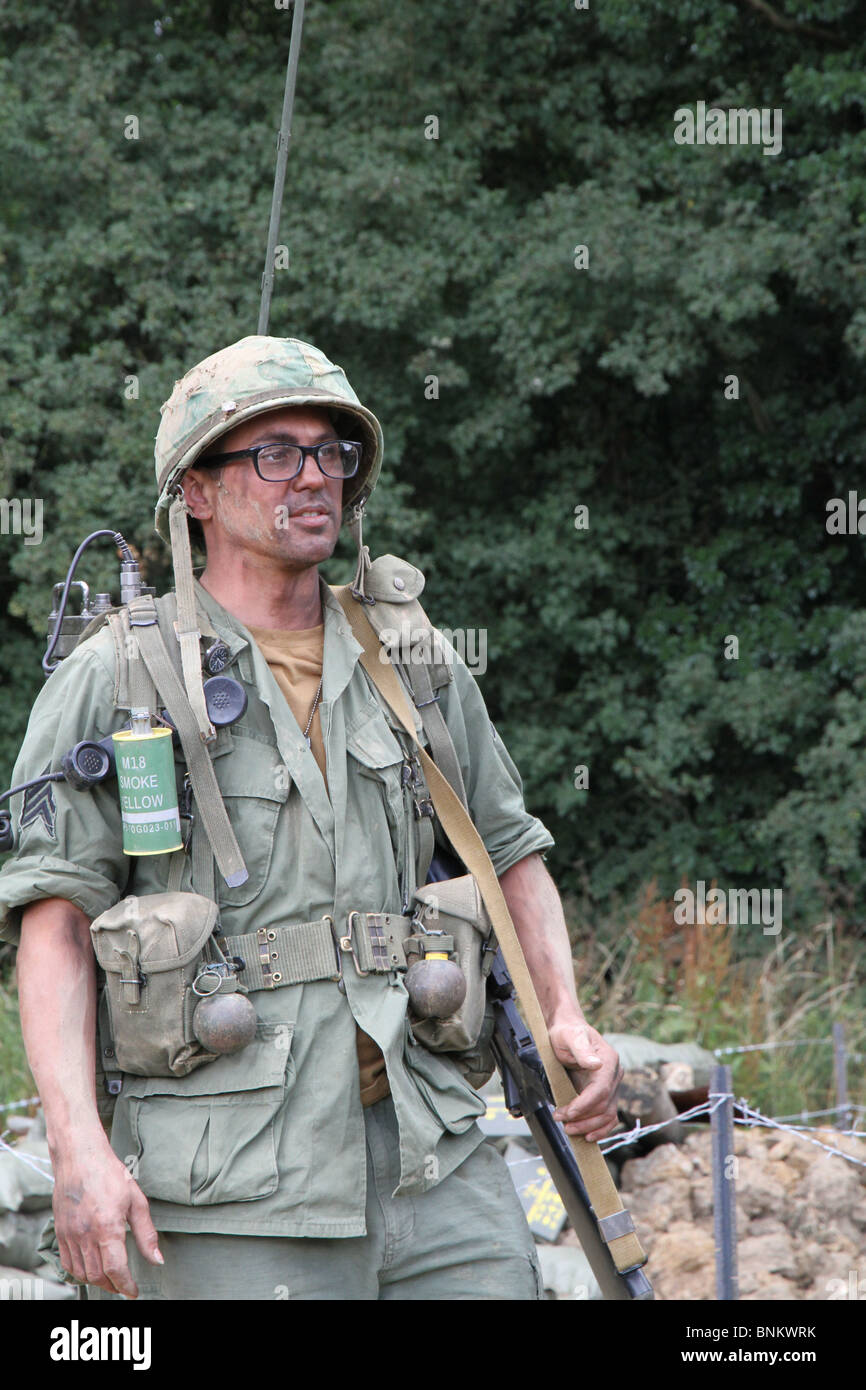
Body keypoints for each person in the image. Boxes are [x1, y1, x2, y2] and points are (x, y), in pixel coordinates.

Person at [0, 336, 622, 1301]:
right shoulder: (119, 678)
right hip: (228, 1187)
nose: (314, 477)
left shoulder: (411, 658)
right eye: (273, 453)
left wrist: (566, 1015)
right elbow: (55, 927)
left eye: (331, 452)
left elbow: (508, 852)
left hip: (433, 1159)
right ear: (195, 493)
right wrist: (77, 1149)